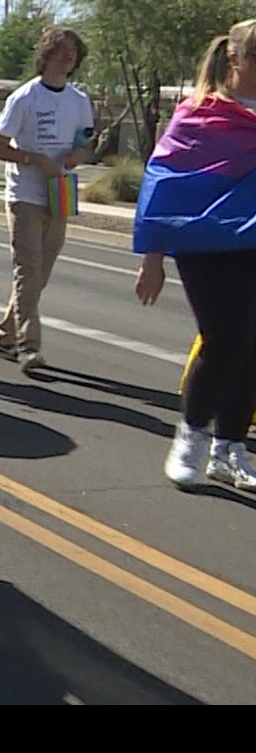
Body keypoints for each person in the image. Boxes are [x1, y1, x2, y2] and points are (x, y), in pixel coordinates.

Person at [137, 27, 256, 491]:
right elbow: (164, 184)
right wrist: (153, 256)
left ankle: (230, 448)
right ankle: (191, 434)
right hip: (205, 241)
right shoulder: (199, 115)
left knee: (253, 342)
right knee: (225, 335)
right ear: (235, 56)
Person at [0, 26, 94, 376]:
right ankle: (28, 345)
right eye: (61, 50)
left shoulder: (79, 101)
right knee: (28, 269)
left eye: (73, 52)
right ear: (46, 54)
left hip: (60, 193)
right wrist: (35, 159)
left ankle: (6, 333)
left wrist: (77, 154)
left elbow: (84, 140)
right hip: (25, 195)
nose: (67, 57)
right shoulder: (24, 98)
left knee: (40, 274)